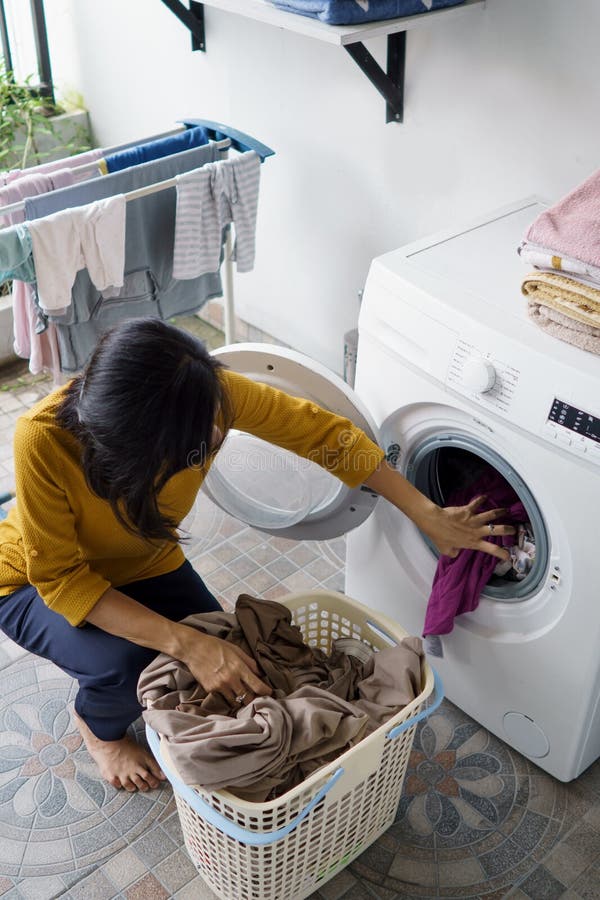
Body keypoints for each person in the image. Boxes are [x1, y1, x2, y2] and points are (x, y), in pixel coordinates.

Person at [0, 318, 514, 793]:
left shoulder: (202, 398)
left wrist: (425, 513)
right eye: (192, 448)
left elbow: (326, 436)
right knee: (127, 664)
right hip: (33, 582)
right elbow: (65, 580)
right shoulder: (42, 440)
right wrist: (186, 644)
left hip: (146, 561)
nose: (214, 440)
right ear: (132, 447)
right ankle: (98, 730)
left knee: (228, 641)